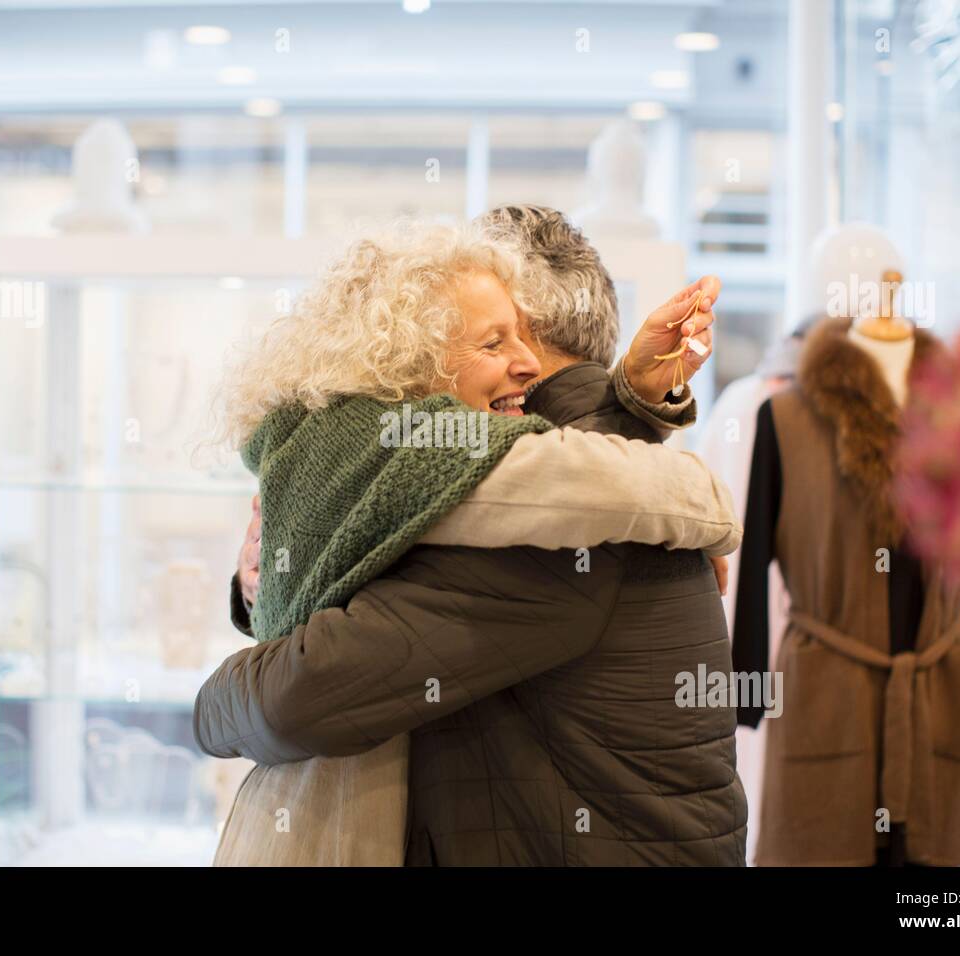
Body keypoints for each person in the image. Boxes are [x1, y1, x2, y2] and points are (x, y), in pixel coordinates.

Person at [195, 208, 748, 865]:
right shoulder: (504, 485)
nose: (518, 361)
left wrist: (209, 708)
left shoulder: (555, 523)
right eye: (491, 339)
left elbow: (300, 699)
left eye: (513, 334)